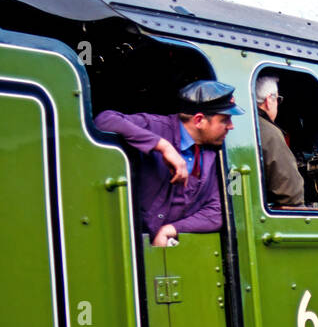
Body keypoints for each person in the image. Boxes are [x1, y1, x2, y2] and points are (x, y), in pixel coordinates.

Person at [95, 80, 243, 246]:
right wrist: (163, 146)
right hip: (127, 244)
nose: (231, 127)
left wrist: (172, 228)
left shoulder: (216, 155)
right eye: (225, 120)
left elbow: (218, 212)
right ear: (199, 120)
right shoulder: (156, 126)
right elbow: (104, 120)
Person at [255, 73, 306, 208]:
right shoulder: (269, 132)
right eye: (277, 99)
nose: (278, 104)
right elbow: (291, 195)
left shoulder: (244, 125)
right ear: (268, 100)